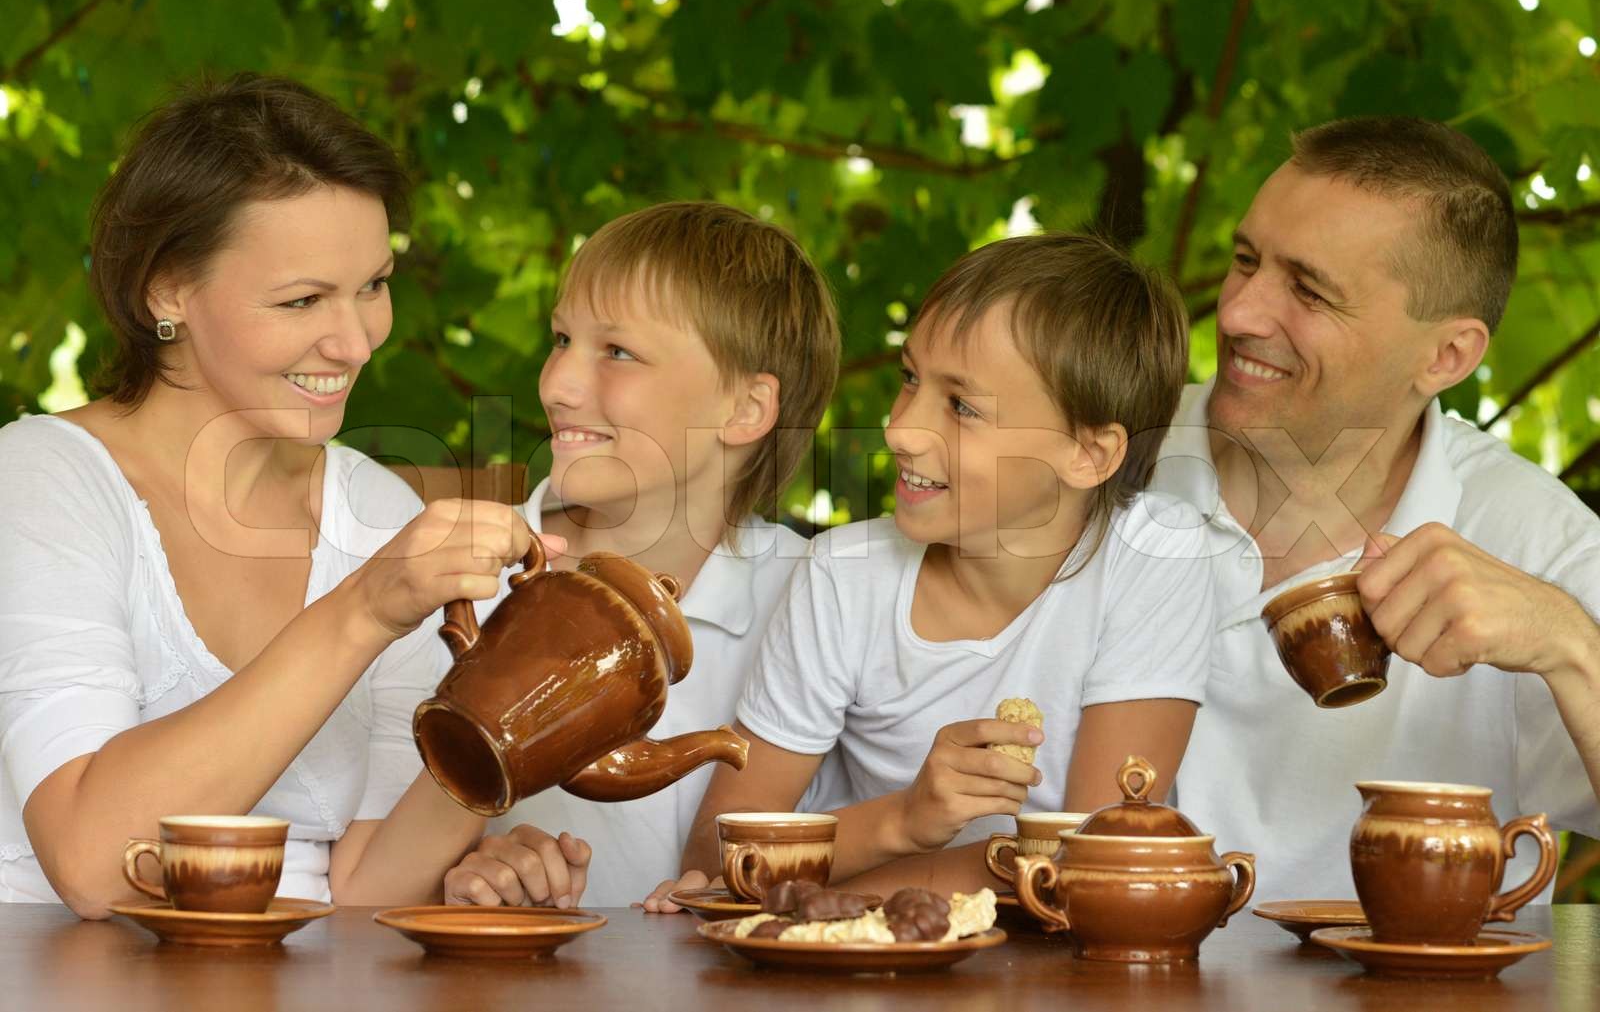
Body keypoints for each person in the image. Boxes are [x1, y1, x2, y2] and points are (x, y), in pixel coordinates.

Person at [0, 74, 561, 916]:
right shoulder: (45, 477)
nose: (355, 339)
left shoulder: (380, 516)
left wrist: (512, 726)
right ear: (167, 290)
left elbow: (361, 881)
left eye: (372, 285)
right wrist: (365, 606)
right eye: (302, 299)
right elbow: (94, 862)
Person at [677, 233, 1215, 898]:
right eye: (910, 378)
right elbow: (713, 855)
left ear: (1089, 454)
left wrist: (831, 886)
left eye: (961, 406)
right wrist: (905, 819)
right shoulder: (845, 575)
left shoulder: (1154, 555)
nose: (901, 428)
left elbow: (1095, 867)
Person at [1151, 116, 1600, 903]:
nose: (1237, 314)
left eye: (1309, 290)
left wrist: (1567, 645)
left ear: (1445, 356)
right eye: (1245, 260)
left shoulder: (1538, 537)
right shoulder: (1104, 461)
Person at [439, 202, 841, 909]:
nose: (555, 383)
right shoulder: (457, 575)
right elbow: (365, 854)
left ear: (746, 410)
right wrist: (467, 868)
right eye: (561, 337)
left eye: (617, 351)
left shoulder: (824, 602)